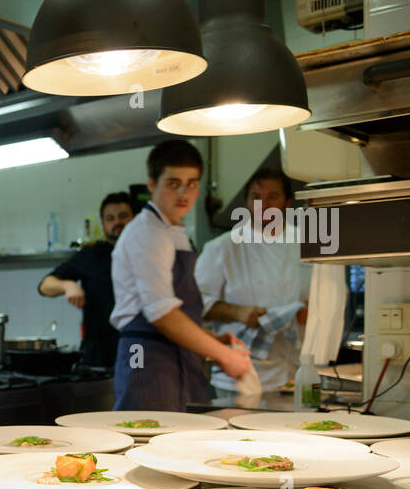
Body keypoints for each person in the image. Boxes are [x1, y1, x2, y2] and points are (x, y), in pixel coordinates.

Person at [109, 140, 251, 410]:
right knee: (148, 441)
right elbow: (162, 314)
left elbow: (177, 311)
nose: (184, 193)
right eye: (174, 184)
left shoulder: (174, 233)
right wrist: (224, 356)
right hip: (148, 358)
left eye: (192, 183)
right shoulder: (148, 233)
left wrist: (210, 340)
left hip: (178, 355)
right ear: (152, 185)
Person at [195, 167, 312, 394]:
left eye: (272, 197)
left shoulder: (308, 243)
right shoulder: (222, 248)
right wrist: (239, 313)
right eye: (256, 197)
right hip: (238, 376)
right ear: (247, 202)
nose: (263, 205)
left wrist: (313, 313)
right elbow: (195, 305)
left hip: (298, 372)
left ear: (287, 202)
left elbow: (333, 298)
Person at [38, 192, 136, 369]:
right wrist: (67, 285)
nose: (117, 223)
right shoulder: (91, 255)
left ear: (134, 218)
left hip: (138, 346)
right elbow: (45, 286)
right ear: (103, 224)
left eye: (123, 216)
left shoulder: (150, 253)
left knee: (141, 392)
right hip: (98, 350)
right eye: (110, 218)